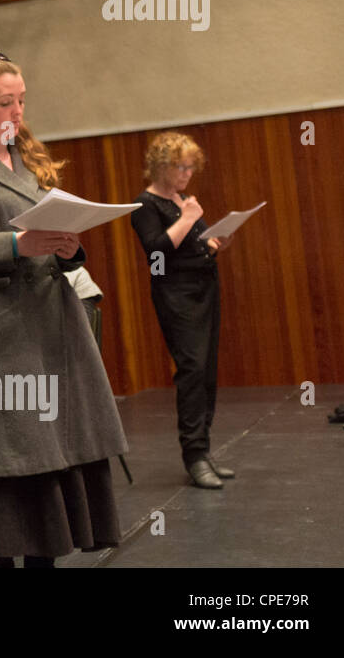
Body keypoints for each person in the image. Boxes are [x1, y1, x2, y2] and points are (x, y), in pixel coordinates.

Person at [0, 51, 128, 567]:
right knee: (6, 466)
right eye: (4, 102)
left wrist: (68, 246)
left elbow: (49, 239)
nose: (16, 112)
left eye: (22, 101)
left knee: (50, 463)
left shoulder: (30, 160)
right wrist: (16, 246)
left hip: (51, 327)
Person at [129, 131, 233, 489]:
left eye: (191, 168)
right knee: (191, 370)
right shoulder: (146, 205)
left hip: (205, 288)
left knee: (207, 371)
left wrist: (215, 242)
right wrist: (188, 219)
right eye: (180, 167)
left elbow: (194, 244)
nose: (187, 174)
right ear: (161, 166)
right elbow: (157, 256)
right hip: (176, 295)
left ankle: (204, 448)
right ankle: (193, 455)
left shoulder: (183, 198)